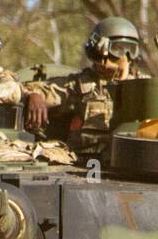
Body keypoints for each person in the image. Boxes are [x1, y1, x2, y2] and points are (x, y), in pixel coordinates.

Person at [22, 16, 148, 155]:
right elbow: (23, 89)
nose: (102, 63)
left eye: (117, 52)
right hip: (86, 165)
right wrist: (33, 94)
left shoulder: (146, 87)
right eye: (98, 56)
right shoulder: (80, 84)